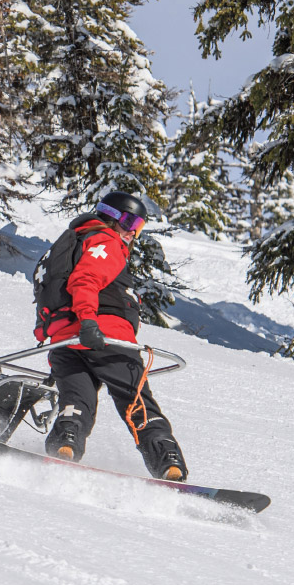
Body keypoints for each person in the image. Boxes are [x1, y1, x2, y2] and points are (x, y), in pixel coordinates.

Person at [33, 191, 188, 481]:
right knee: (136, 400)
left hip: (66, 341)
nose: (132, 232)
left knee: (77, 399)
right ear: (111, 216)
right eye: (130, 222)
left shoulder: (68, 244)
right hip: (104, 335)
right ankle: (168, 462)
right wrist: (90, 321)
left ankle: (64, 446)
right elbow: (86, 280)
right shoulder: (104, 241)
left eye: (139, 226)